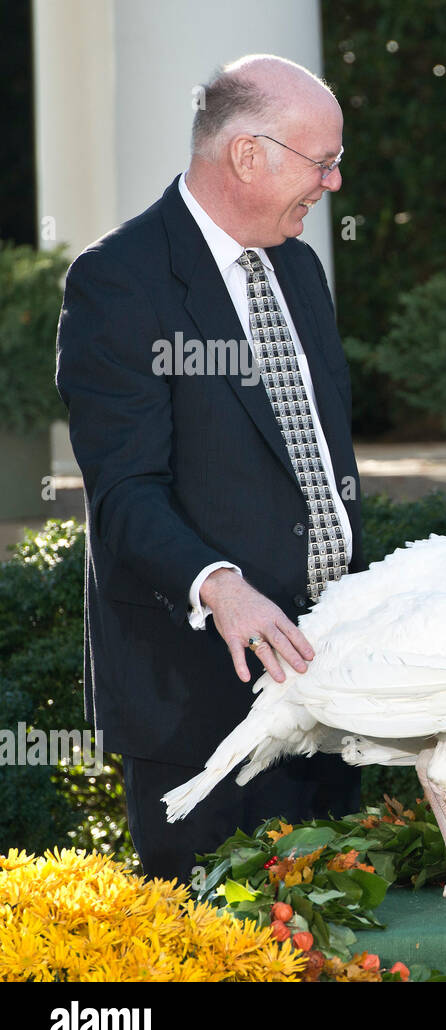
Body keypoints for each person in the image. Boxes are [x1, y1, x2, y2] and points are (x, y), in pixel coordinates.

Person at [55, 55, 363, 882]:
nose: (334, 182)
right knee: (222, 951)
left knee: (346, 948)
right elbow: (125, 494)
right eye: (322, 161)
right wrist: (220, 584)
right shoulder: (117, 281)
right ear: (248, 155)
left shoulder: (297, 266)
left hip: (329, 688)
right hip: (201, 707)